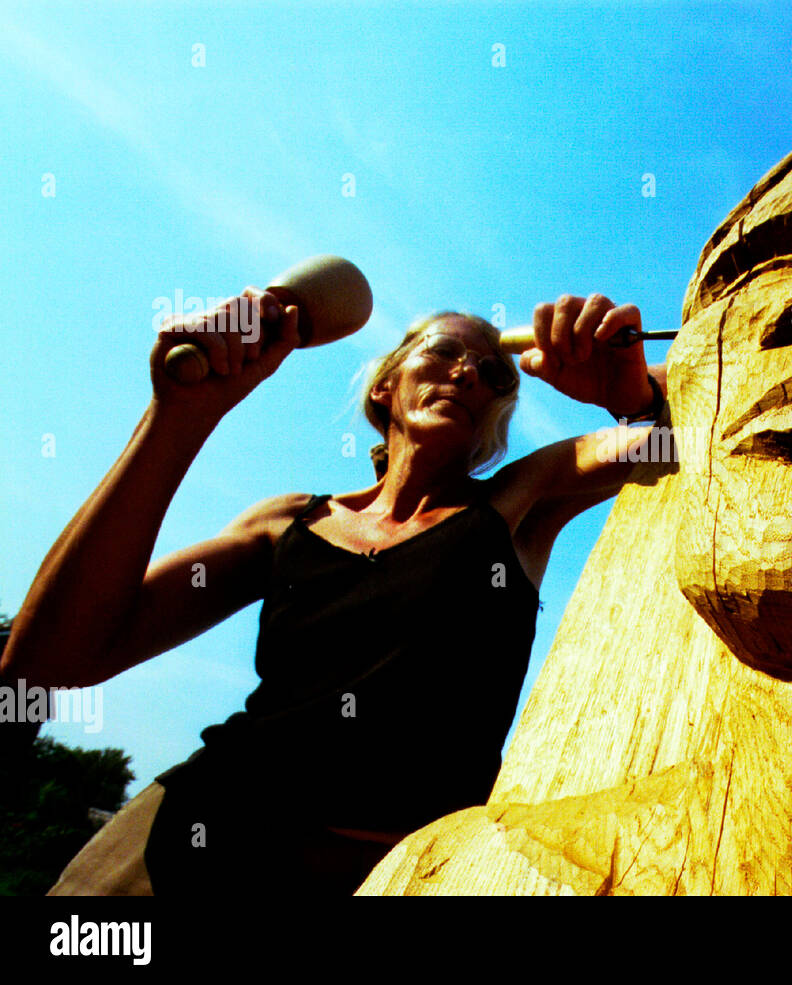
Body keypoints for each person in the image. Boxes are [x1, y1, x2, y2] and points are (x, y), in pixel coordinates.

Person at [1, 287, 668, 895]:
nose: (467, 372)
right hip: (173, 850)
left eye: (493, 373)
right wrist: (181, 414)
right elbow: (50, 663)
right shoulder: (288, 521)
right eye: (443, 352)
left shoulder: (521, 501)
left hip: (389, 877)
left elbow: (678, 431)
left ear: (496, 414)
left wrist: (633, 394)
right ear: (385, 385)